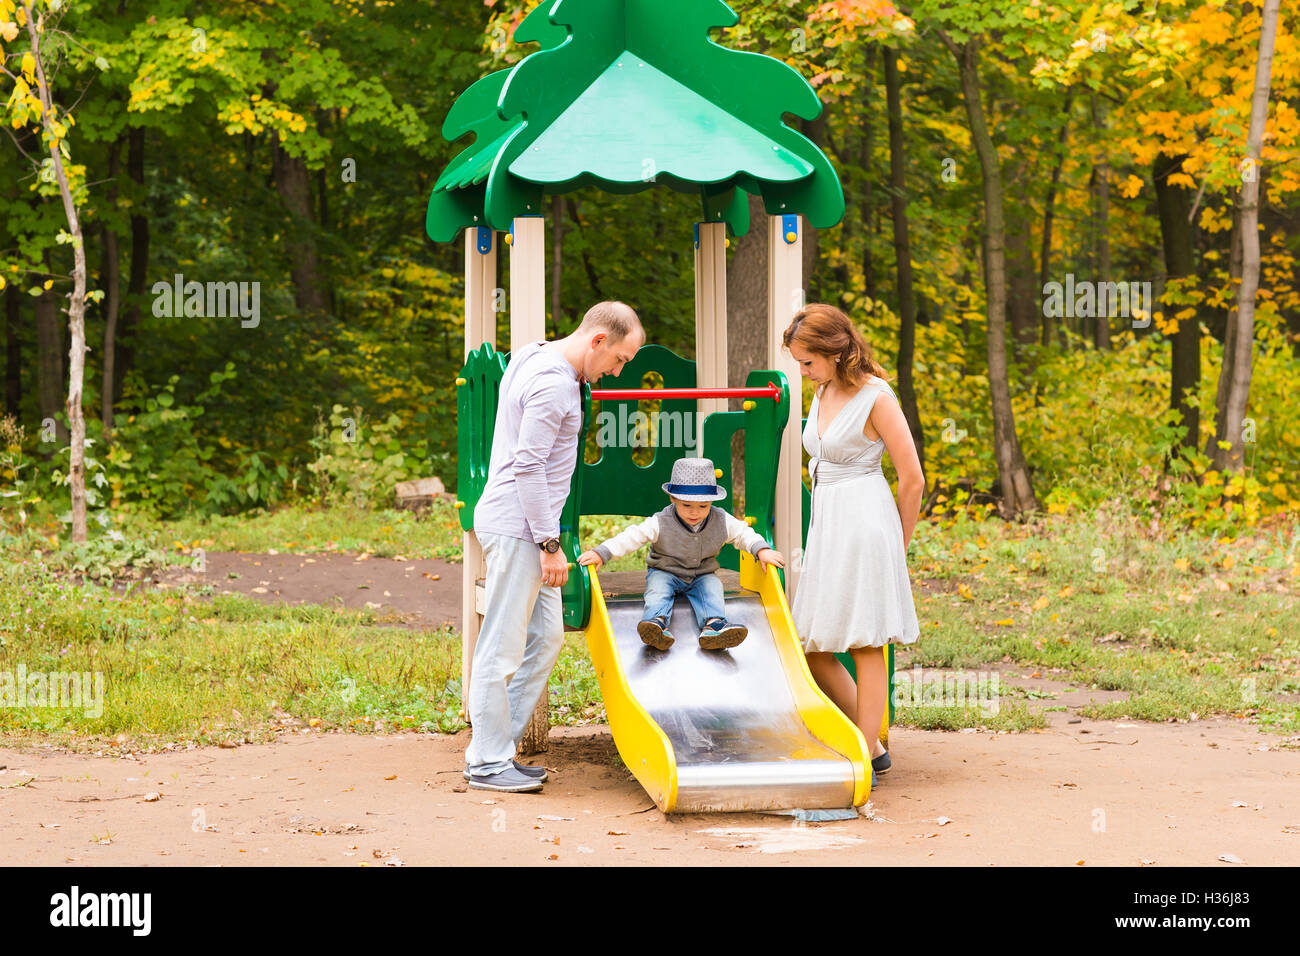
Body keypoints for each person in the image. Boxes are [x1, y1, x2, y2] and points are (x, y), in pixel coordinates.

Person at [465, 301, 645, 793]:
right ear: (597, 341)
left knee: (546, 637)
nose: (617, 370)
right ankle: (485, 762)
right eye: (619, 359)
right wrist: (549, 543)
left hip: (529, 527)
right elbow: (528, 466)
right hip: (519, 528)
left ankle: (498, 748)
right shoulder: (553, 385)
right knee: (502, 648)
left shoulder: (535, 354)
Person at [783, 303, 923, 785]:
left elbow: (912, 478)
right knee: (814, 643)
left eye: (808, 362)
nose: (802, 372)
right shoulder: (821, 393)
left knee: (865, 640)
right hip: (828, 523)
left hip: (866, 520)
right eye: (799, 363)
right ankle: (875, 746)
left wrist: (896, 548)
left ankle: (863, 752)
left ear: (836, 351)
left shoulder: (876, 396)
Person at [577, 457, 785, 650]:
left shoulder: (721, 520)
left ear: (712, 501)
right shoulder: (661, 521)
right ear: (672, 498)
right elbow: (632, 537)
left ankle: (714, 626)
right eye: (686, 505)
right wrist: (602, 553)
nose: (694, 512)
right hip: (665, 572)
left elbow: (742, 533)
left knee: (712, 588)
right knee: (657, 592)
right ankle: (655, 625)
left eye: (703, 506)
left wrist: (762, 549)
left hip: (701, 575)